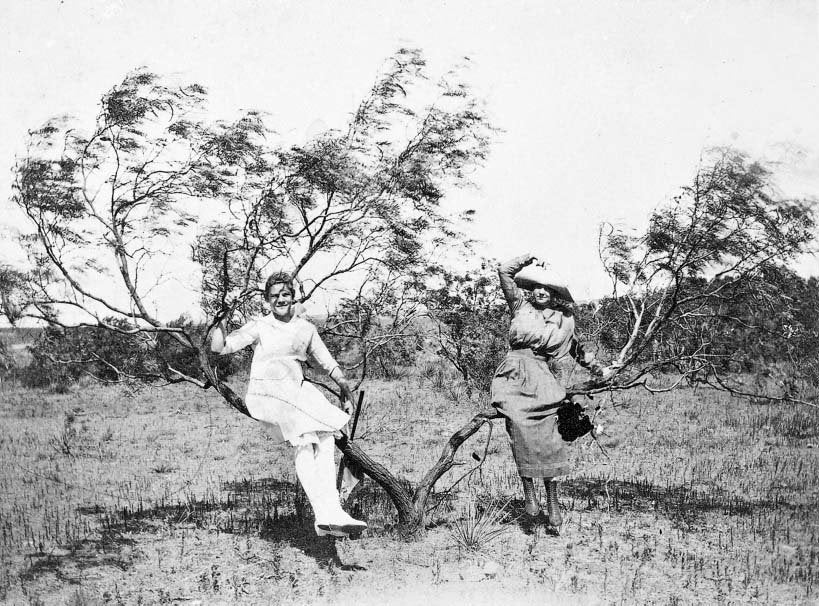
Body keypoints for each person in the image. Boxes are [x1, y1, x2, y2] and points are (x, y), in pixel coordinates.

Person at [210, 271, 366, 537]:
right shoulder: (260, 325)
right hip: (268, 393)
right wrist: (223, 316)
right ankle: (322, 514)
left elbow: (328, 363)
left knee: (325, 437)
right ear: (267, 300)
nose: (280, 300)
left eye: (285, 295)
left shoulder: (305, 329)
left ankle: (333, 512)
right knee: (304, 441)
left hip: (296, 392)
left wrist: (345, 389)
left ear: (293, 297)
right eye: (274, 296)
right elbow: (220, 347)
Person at [491, 253, 605, 529]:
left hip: (542, 376)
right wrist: (528, 258)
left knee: (551, 437)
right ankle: (529, 493)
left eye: (548, 288)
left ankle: (552, 500)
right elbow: (504, 271)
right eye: (537, 287)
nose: (541, 291)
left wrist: (599, 370)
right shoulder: (520, 305)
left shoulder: (565, 319)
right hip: (513, 373)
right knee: (518, 427)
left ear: (555, 294)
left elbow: (577, 350)